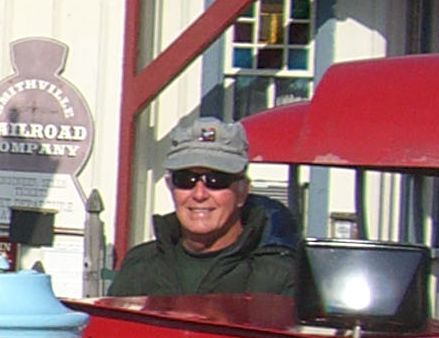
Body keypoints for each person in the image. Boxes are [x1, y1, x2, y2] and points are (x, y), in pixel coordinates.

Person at [108, 117, 300, 297]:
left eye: (216, 180)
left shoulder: (279, 279)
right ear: (170, 187)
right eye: (186, 179)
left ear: (242, 191)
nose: (199, 194)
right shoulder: (140, 266)